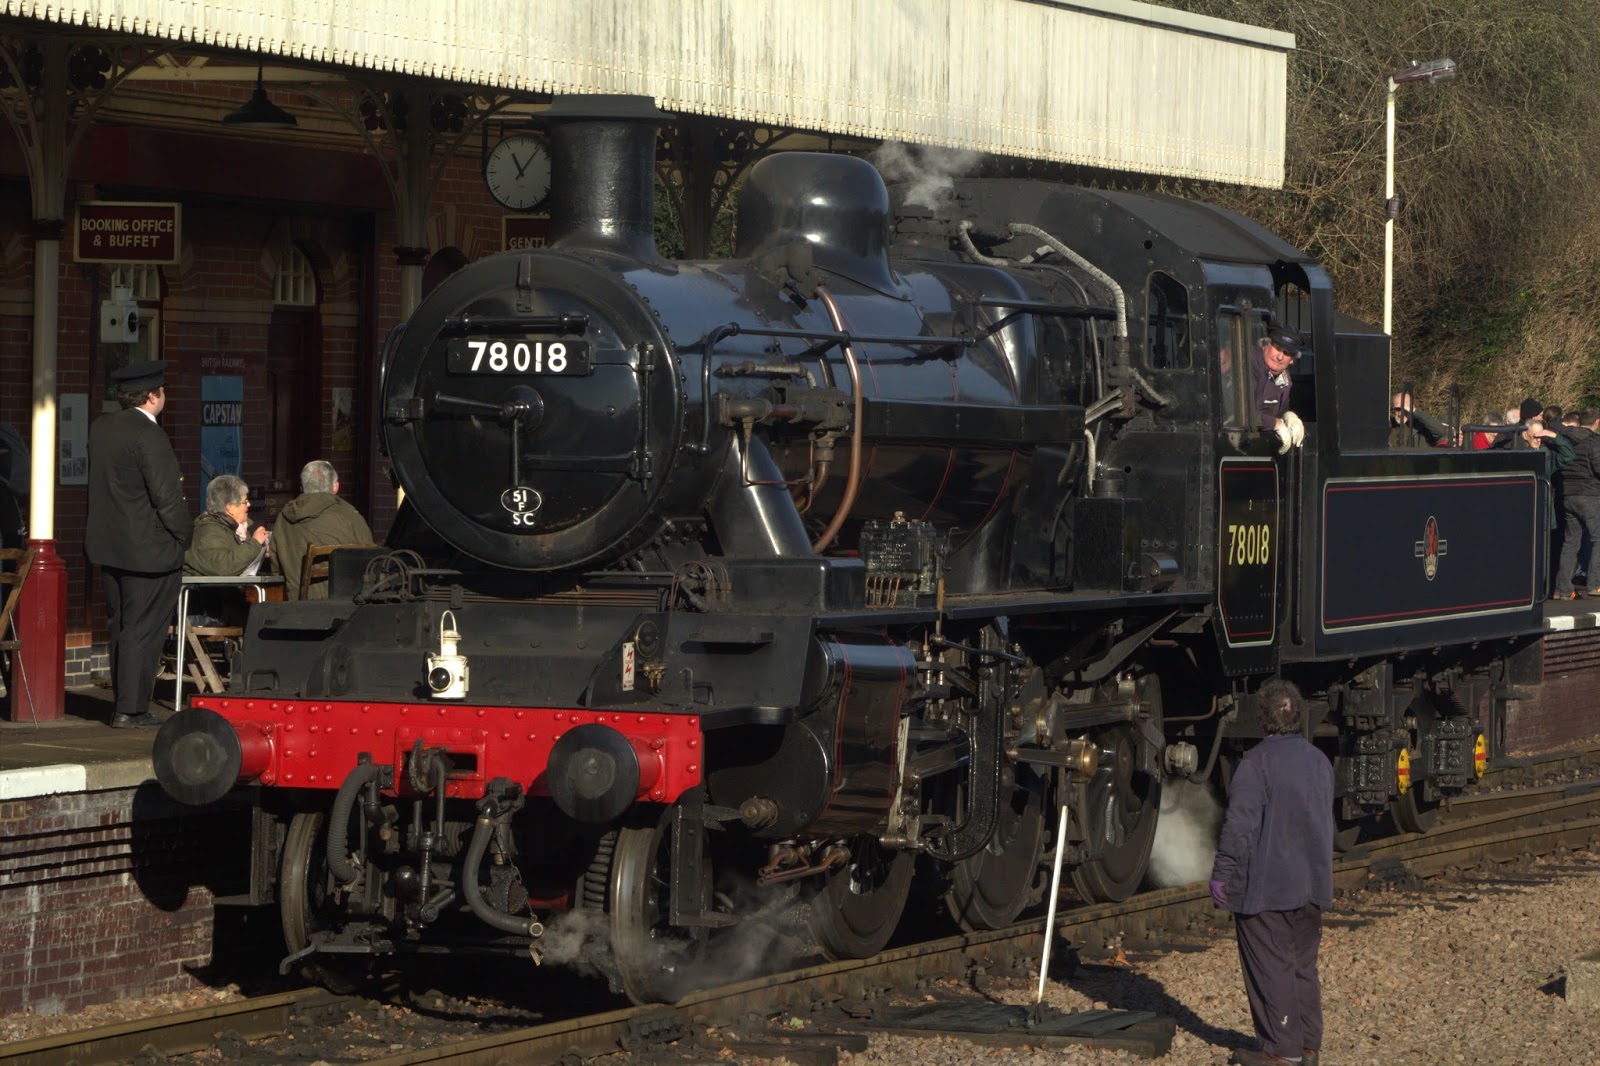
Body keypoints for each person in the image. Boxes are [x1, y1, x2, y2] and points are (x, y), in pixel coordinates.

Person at [1210, 678, 1333, 1066]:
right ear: (1298, 717)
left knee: (1270, 967)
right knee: (1301, 966)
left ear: (1261, 721)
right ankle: (1308, 1045)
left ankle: (1281, 1052)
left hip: (1268, 890)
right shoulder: (1319, 761)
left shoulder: (1255, 764)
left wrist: (1222, 873)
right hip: (1311, 884)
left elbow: (1239, 826)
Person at [85, 361, 193, 728]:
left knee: (120, 626)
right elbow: (168, 498)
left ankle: (123, 703)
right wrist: (183, 536)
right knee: (143, 629)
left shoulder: (101, 429)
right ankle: (131, 709)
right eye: (162, 391)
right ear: (152, 395)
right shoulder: (150, 435)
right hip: (149, 551)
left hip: (108, 548)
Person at [273, 460, 374, 600]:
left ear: (302, 487)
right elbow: (371, 562)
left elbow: (276, 570)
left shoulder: (283, 518)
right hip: (347, 607)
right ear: (335, 487)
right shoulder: (350, 516)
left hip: (297, 609)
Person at [184, 474, 269, 627]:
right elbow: (223, 566)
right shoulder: (208, 531)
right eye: (244, 501)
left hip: (224, 599)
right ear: (230, 507)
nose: (248, 504)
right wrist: (254, 544)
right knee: (260, 618)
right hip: (207, 607)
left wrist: (264, 551)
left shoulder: (236, 529)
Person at [1551, 410, 1600, 600]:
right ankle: (1595, 584)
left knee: (1570, 542)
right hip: (1590, 495)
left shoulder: (1566, 438)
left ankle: (1562, 588)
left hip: (1568, 494)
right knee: (1598, 539)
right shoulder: (1594, 442)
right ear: (1596, 422)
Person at [1251, 325, 1304, 453]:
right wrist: (1276, 424)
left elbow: (1279, 410)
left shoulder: (1284, 380)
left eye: (1286, 353)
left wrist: (1289, 416)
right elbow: (1243, 414)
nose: (1280, 357)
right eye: (1278, 349)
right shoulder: (1249, 363)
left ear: (1291, 360)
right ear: (1265, 344)